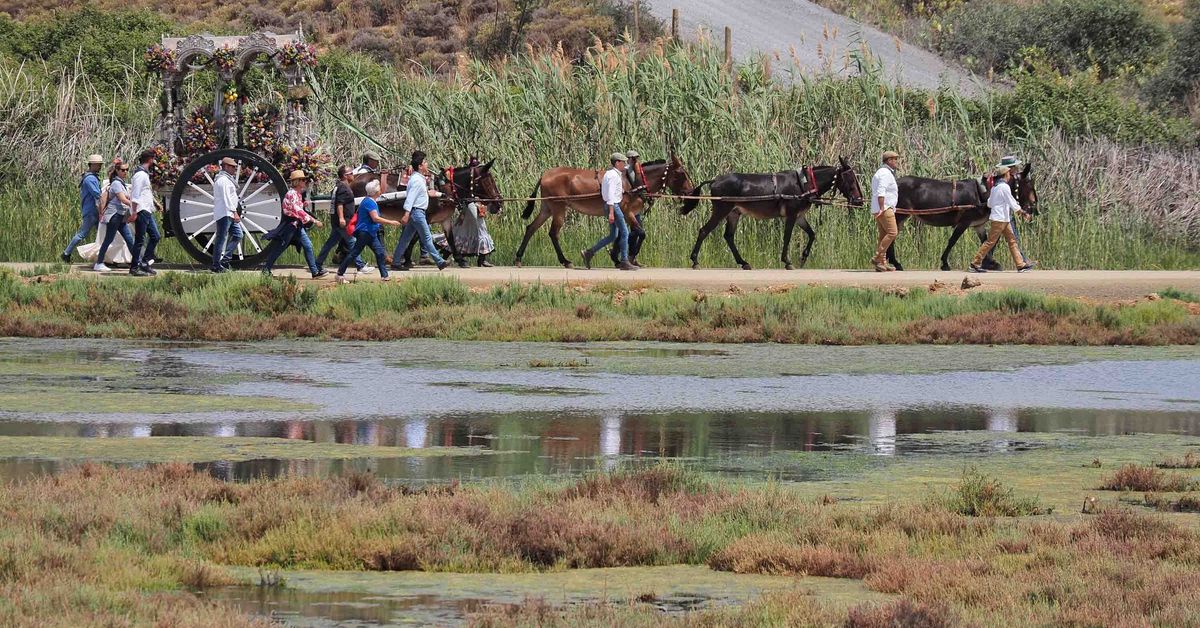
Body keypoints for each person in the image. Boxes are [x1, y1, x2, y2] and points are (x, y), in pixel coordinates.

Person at [970, 165, 1036, 273]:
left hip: (1003, 219)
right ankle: (975, 263)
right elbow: (1012, 202)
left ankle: (1020, 265)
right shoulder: (1004, 187)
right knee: (990, 242)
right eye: (1009, 174)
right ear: (1006, 174)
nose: (1010, 175)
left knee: (1012, 240)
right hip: (1000, 219)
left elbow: (990, 203)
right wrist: (1022, 212)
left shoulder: (995, 188)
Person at [261, 170, 327, 278]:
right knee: (280, 248)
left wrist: (303, 204)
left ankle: (315, 271)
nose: (305, 181)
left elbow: (296, 207)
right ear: (298, 181)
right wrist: (314, 221)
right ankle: (266, 269)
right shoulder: (292, 194)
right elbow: (297, 211)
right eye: (303, 180)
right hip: (290, 226)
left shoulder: (296, 194)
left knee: (308, 245)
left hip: (296, 225)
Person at [392, 150, 449, 271]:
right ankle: (440, 261)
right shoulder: (417, 181)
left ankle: (396, 261)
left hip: (416, 213)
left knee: (405, 238)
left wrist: (439, 194)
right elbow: (411, 197)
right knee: (427, 238)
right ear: (420, 166)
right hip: (417, 213)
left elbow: (424, 193)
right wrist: (406, 213)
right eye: (425, 162)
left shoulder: (417, 179)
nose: (427, 164)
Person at [337, 180, 401, 284]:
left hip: (370, 233)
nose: (381, 190)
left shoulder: (369, 201)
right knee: (354, 253)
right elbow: (375, 218)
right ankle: (340, 274)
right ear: (376, 191)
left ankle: (385, 276)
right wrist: (391, 222)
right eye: (379, 188)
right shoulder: (370, 202)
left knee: (380, 253)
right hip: (365, 232)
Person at [582, 152, 635, 271]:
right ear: (617, 163)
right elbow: (610, 194)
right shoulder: (613, 176)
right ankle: (625, 261)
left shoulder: (611, 174)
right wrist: (611, 212)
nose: (625, 164)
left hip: (610, 206)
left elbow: (612, 189)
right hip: (613, 206)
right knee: (625, 232)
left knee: (613, 235)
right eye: (623, 162)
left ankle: (589, 253)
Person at [316, 165, 372, 274]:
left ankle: (317, 263)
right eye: (350, 173)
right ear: (345, 176)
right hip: (343, 221)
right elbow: (339, 204)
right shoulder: (343, 187)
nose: (353, 175)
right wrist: (341, 218)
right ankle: (360, 265)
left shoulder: (340, 186)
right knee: (353, 241)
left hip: (338, 221)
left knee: (330, 243)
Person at [451, 156, 496, 267]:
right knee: (479, 229)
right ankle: (479, 258)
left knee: (463, 230)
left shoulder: (479, 179)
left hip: (474, 205)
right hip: (470, 205)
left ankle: (481, 258)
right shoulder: (468, 178)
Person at [94, 161, 137, 273]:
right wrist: (135, 205)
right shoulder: (116, 184)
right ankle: (99, 263)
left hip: (120, 216)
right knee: (108, 240)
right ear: (117, 171)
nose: (125, 172)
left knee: (129, 239)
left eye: (127, 170)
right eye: (123, 170)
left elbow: (126, 197)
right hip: (114, 216)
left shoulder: (121, 183)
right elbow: (122, 199)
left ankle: (138, 261)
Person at [62, 154, 104, 263]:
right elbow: (97, 194)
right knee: (83, 234)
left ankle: (102, 256)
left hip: (93, 210)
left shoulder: (91, 177)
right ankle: (66, 253)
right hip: (91, 211)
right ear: (92, 165)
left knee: (102, 233)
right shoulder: (90, 179)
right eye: (98, 164)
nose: (100, 166)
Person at [612, 149, 647, 267]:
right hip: (629, 205)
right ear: (630, 159)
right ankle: (618, 250)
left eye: (637, 158)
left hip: (635, 205)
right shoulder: (627, 171)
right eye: (635, 158)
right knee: (638, 232)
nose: (637, 160)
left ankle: (632, 256)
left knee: (636, 232)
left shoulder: (637, 170)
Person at [128, 149, 160, 276]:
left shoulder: (143, 174)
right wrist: (134, 211)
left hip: (147, 209)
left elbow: (145, 193)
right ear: (150, 159)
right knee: (140, 239)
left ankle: (145, 262)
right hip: (141, 210)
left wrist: (155, 204)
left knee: (155, 236)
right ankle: (134, 267)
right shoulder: (140, 175)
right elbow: (135, 194)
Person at [869, 150, 901, 272]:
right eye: (894, 159)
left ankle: (881, 263)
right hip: (885, 208)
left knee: (883, 235)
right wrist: (883, 207)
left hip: (882, 208)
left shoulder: (881, 172)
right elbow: (881, 191)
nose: (896, 162)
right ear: (889, 161)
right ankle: (877, 257)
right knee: (893, 232)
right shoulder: (885, 173)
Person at [210, 157, 242, 273]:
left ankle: (225, 259)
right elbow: (226, 198)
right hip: (225, 213)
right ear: (226, 167)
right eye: (233, 167)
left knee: (238, 235)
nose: (235, 169)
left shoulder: (227, 179)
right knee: (221, 239)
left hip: (228, 213)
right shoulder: (222, 180)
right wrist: (235, 212)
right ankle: (216, 265)